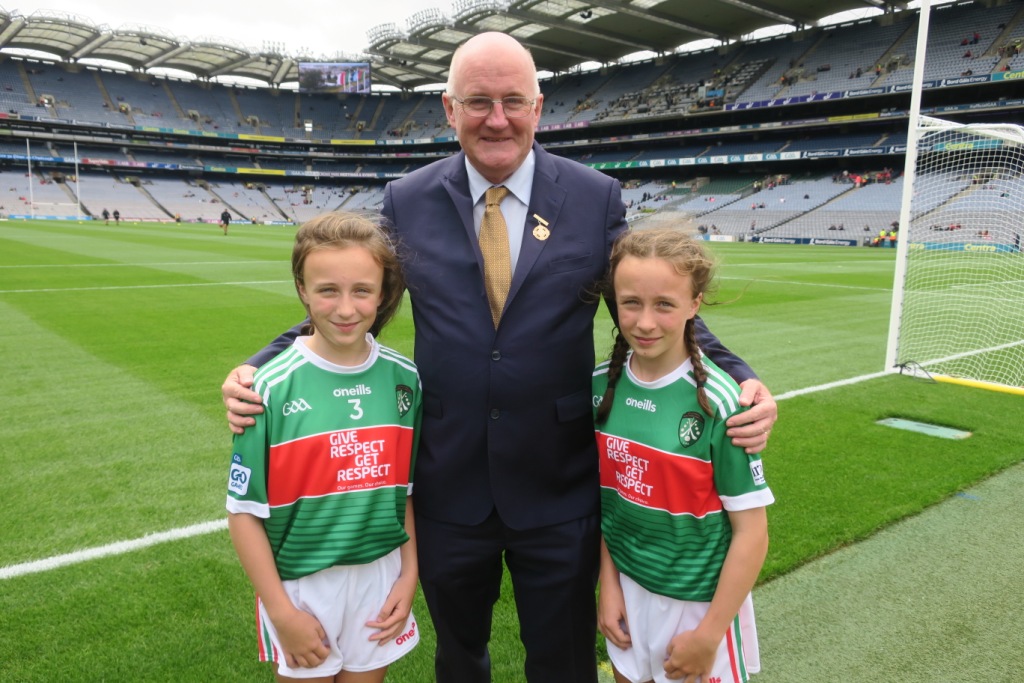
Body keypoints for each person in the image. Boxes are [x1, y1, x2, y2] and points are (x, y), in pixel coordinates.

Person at [222, 32, 777, 683]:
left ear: (538, 108)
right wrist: (261, 361)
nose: (497, 118)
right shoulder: (408, 198)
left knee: (563, 658)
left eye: (513, 101)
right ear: (448, 108)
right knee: (460, 655)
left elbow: (655, 295)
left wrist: (740, 375)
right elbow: (355, 301)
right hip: (449, 480)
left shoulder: (594, 195)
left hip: (558, 479)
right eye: (478, 102)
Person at [225, 212, 421, 682]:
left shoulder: (405, 378)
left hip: (380, 578)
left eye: (362, 291)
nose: (346, 309)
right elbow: (244, 512)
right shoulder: (267, 387)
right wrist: (281, 611)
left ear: (383, 293)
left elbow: (406, 492)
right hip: (300, 586)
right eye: (328, 290)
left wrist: (409, 575)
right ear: (301, 291)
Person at [593, 228, 773, 683]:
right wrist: (609, 587)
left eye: (665, 305)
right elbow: (611, 500)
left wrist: (710, 634)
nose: (645, 322)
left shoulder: (721, 403)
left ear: (695, 305)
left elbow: (751, 534)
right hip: (630, 593)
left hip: (699, 606)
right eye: (631, 302)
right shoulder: (600, 389)